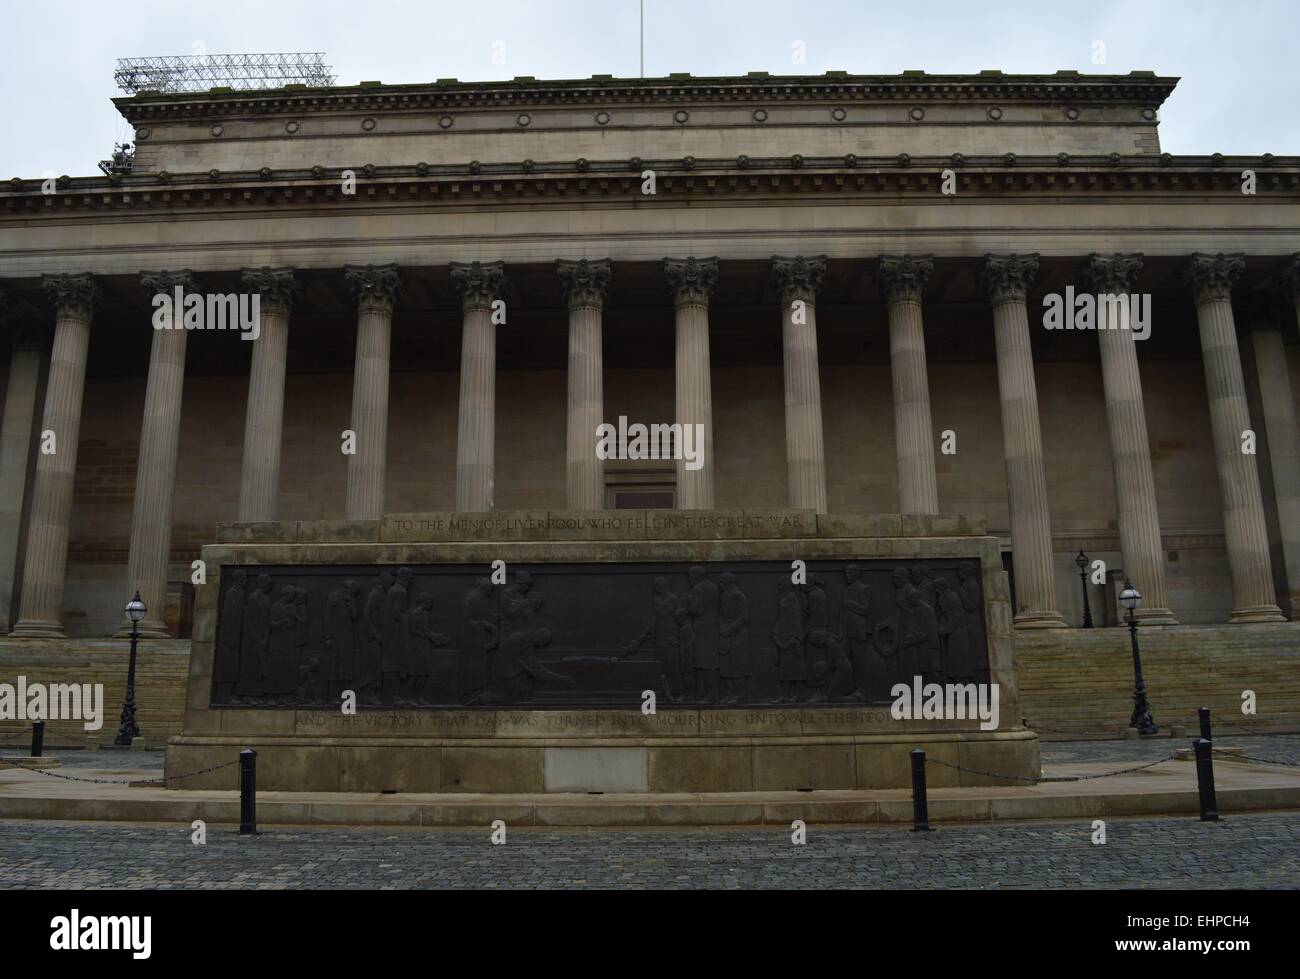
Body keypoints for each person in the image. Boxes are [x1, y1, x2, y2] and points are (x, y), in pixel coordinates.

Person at [684, 566, 720, 704]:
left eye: (690, 576)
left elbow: (697, 610)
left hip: (702, 629)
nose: (689, 579)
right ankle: (708, 694)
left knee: (704, 663)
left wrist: (688, 600)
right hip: (712, 627)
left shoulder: (697, 588)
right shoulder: (714, 587)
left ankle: (710, 696)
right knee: (709, 662)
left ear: (696, 575)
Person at [718, 573, 751, 704]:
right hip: (725, 636)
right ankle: (730, 694)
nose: (720, 583)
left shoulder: (739, 595)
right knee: (726, 666)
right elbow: (720, 615)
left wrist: (729, 630)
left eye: (722, 580)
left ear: (729, 581)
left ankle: (742, 695)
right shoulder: (724, 595)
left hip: (738, 636)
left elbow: (744, 617)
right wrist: (722, 629)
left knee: (738, 666)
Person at [773, 579, 806, 702]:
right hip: (783, 636)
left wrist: (795, 637)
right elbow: (781, 617)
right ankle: (785, 695)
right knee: (785, 668)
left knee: (797, 668)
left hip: (793, 638)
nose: (779, 587)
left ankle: (799, 694)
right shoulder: (783, 597)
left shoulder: (792, 598)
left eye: (780, 585)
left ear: (786, 585)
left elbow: (796, 617)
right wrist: (775, 632)